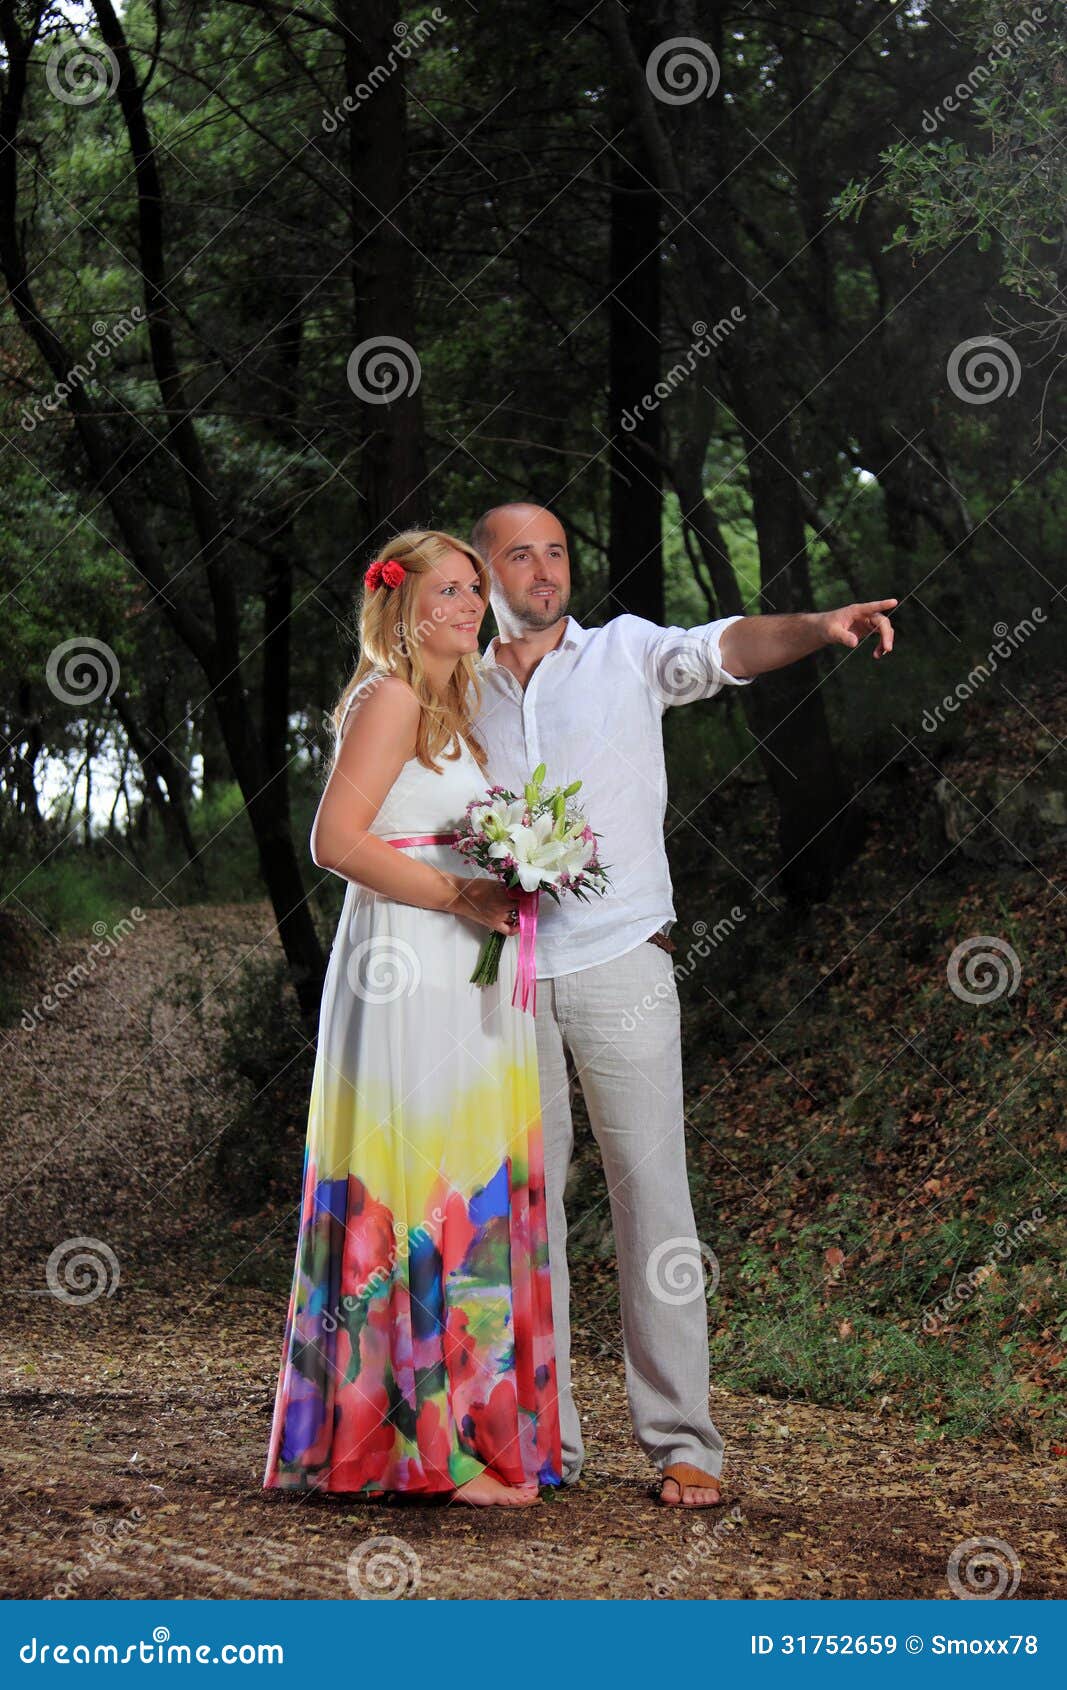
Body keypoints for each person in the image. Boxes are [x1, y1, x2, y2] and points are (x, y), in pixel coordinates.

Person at [470, 500, 897, 1508]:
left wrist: (819, 624)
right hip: (500, 969)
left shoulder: (624, 652)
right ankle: (538, 1440)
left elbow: (727, 646)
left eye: (556, 552)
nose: (544, 569)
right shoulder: (456, 681)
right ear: (480, 571)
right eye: (519, 555)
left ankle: (680, 1438)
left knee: (652, 1203)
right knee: (521, 1208)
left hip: (621, 957)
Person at [263, 529, 563, 1508]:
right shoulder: (390, 698)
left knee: (464, 1173)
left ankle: (460, 1429)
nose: (470, 603)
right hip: (402, 962)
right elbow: (335, 839)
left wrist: (524, 872)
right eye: (447, 589)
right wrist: (455, 897)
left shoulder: (456, 711)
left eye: (475, 588)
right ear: (398, 606)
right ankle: (429, 1450)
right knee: (420, 1178)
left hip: (462, 967)